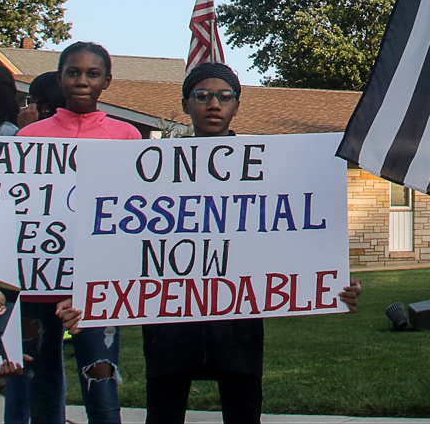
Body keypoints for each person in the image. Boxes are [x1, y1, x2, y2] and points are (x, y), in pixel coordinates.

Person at [132, 62, 362, 424]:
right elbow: (127, 243)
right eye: (202, 96)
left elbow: (292, 233)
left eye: (225, 96)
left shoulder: (268, 169)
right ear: (185, 103)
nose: (214, 104)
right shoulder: (152, 170)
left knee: (243, 415)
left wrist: (334, 282)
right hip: (170, 326)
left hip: (238, 327)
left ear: (237, 105)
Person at [10, 41, 140, 424]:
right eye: (73, 72)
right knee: (41, 390)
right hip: (36, 287)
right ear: (60, 77)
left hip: (97, 289)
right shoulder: (27, 138)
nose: (82, 80)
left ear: (107, 81)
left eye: (92, 74)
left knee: (102, 389)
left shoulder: (127, 137)